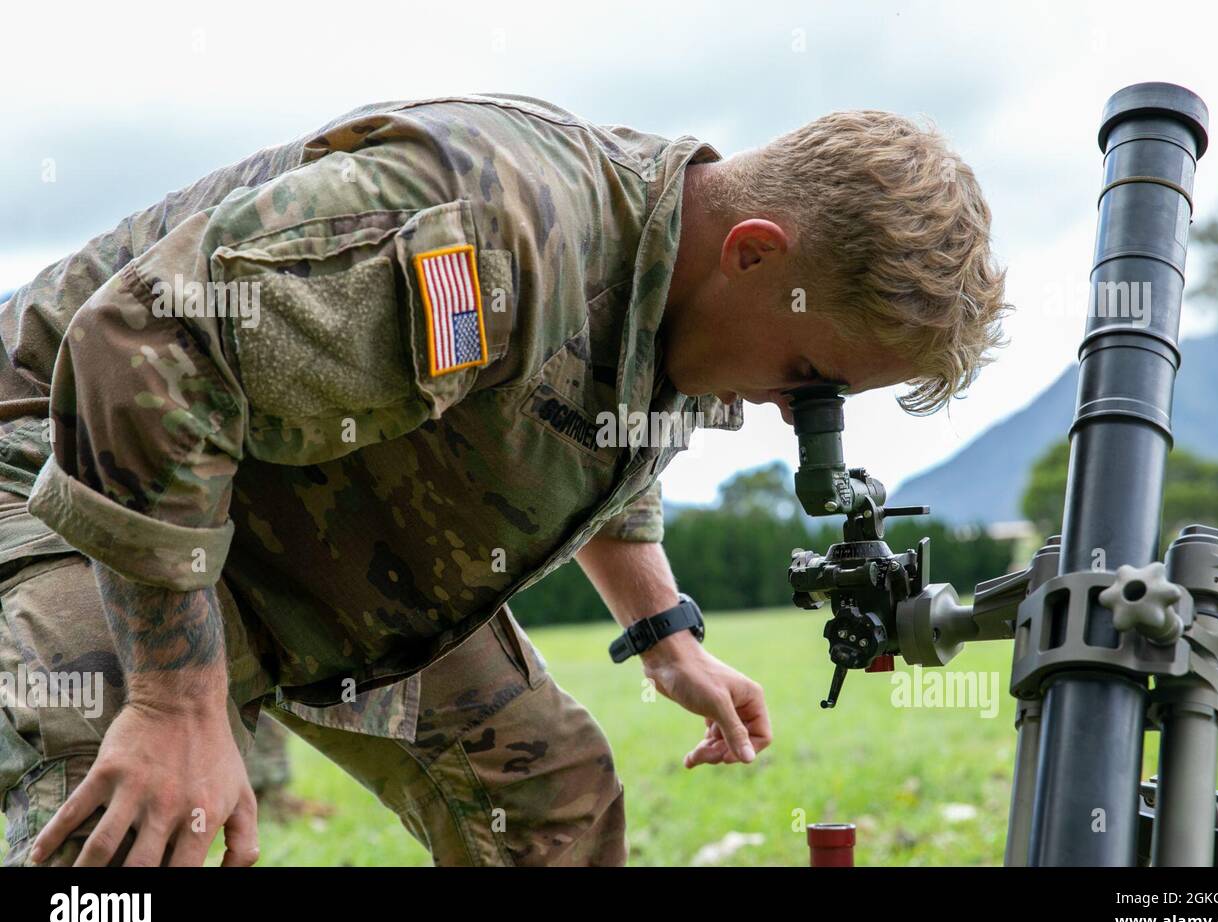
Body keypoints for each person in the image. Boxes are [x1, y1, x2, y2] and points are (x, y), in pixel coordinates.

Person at [0, 93, 1007, 866]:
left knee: (550, 796)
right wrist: (179, 701)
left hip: (320, 533)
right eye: (808, 379)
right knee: (122, 802)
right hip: (69, 469)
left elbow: (590, 439)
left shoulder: (682, 295)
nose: (798, 413)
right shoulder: (495, 234)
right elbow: (139, 347)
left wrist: (665, 633)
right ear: (754, 254)